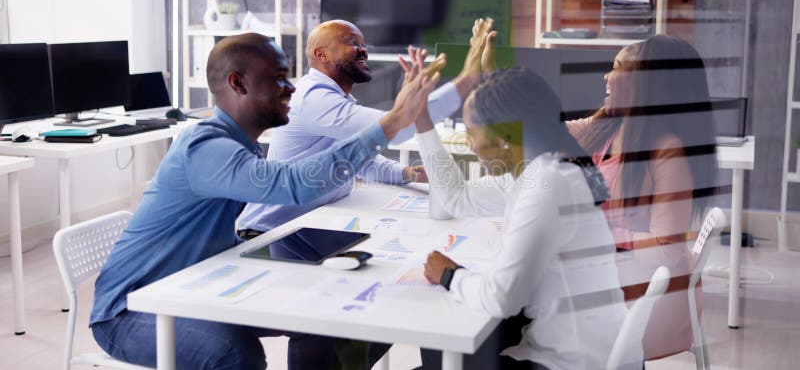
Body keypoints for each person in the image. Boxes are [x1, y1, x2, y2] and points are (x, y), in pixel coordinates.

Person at [89, 32, 440, 370]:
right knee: (233, 355)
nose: (291, 88)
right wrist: (391, 122)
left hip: (198, 282)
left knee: (337, 317)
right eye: (278, 78)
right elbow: (293, 183)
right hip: (131, 309)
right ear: (238, 84)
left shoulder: (241, 142)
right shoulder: (205, 148)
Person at [415, 66, 628, 369]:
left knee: (441, 340)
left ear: (506, 136)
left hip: (569, 361)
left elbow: (502, 298)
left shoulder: (549, 184)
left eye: (473, 135)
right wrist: (421, 118)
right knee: (441, 343)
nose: (470, 146)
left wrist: (450, 275)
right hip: (574, 346)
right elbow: (455, 197)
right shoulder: (538, 170)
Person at [235, 18, 496, 238]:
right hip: (268, 234)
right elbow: (396, 129)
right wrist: (467, 80)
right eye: (351, 42)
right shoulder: (313, 98)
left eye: (362, 43)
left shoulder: (332, 98)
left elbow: (358, 155)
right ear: (321, 54)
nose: (363, 50)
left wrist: (407, 173)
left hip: (309, 224)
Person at [566, 34, 719, 360]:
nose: (608, 76)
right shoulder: (610, 126)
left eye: (621, 68)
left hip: (649, 300)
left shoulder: (667, 152)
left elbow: (663, 250)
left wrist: (595, 230)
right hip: (616, 279)